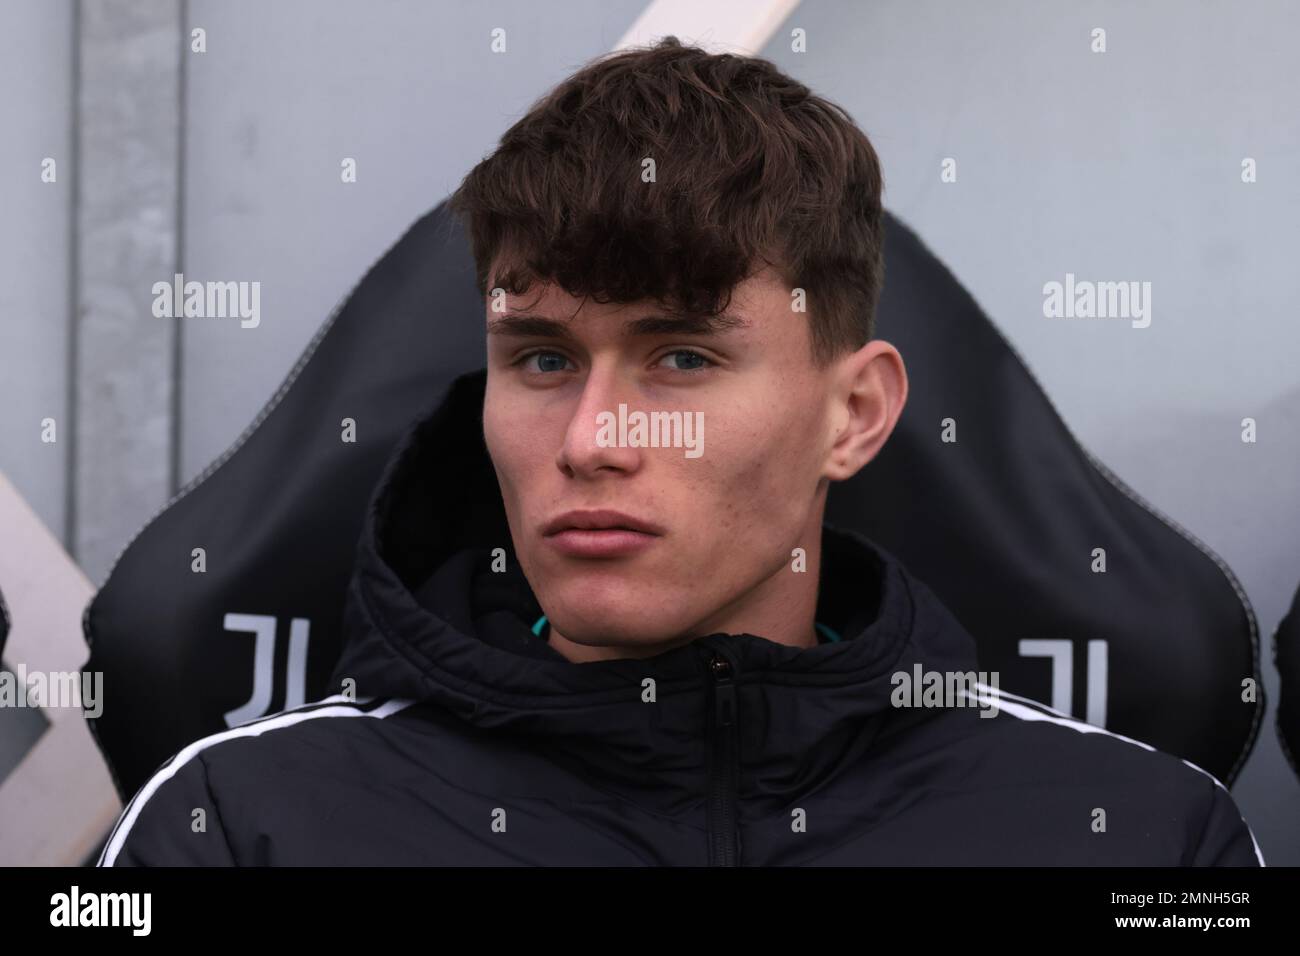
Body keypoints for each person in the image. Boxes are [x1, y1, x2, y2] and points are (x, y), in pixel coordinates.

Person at [98, 37, 1262, 866]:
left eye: (683, 359)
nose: (594, 441)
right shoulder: (236, 824)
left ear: (852, 415)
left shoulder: (1145, 836)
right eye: (544, 360)